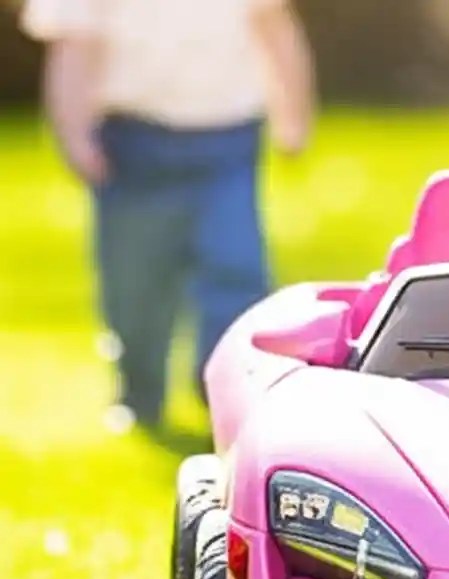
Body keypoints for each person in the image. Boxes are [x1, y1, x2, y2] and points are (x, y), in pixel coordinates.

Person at [21, 0, 315, 434]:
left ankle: (223, 385)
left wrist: (293, 113)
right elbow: (74, 51)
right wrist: (75, 134)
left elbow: (275, 28)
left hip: (228, 139)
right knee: (136, 284)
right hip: (135, 143)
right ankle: (139, 390)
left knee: (235, 269)